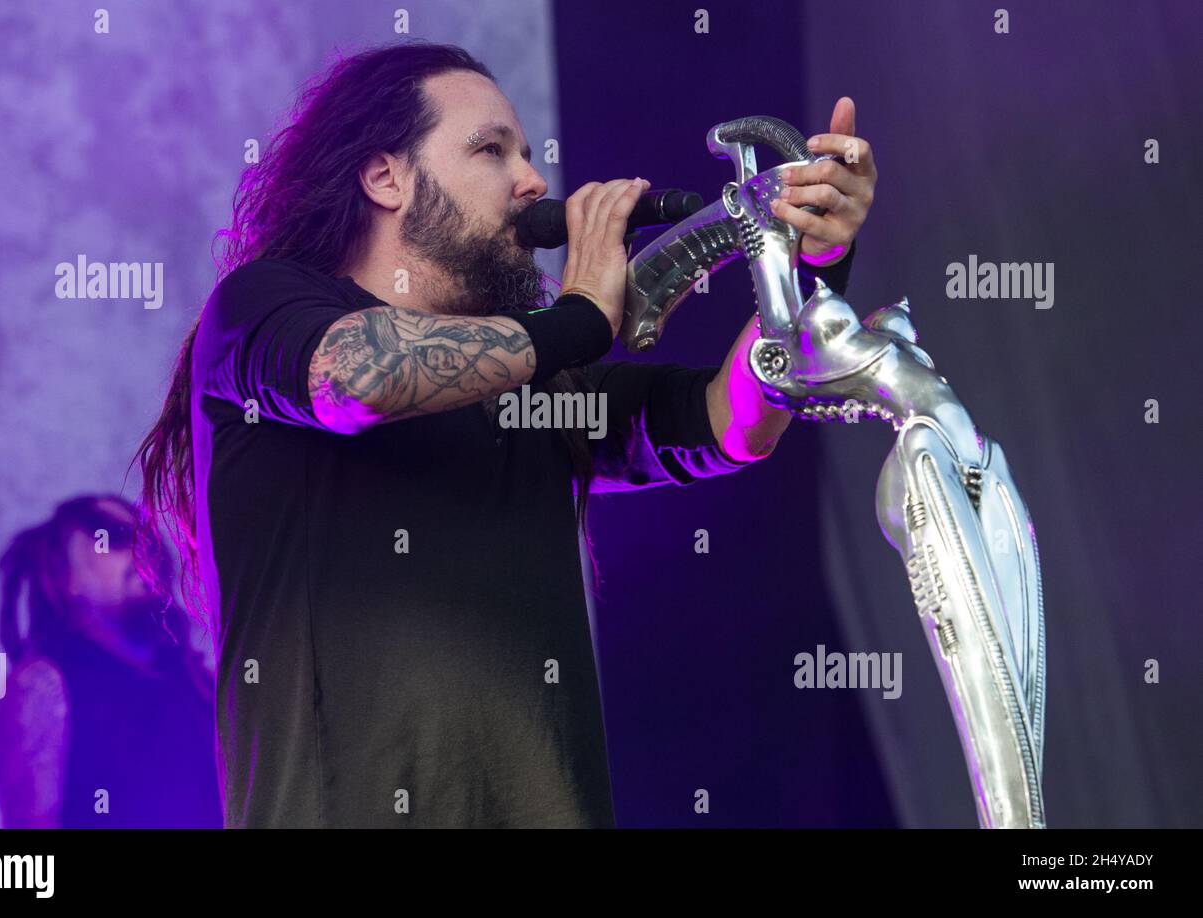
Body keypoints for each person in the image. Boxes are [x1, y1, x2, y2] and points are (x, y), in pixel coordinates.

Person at [134, 41, 877, 828]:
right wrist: (581, 316)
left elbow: (737, 422)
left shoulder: (543, 385)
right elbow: (355, 379)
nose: (532, 180)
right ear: (385, 176)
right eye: (491, 150)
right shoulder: (262, 305)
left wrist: (811, 261)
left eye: (525, 153)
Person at [0, 495, 222, 828]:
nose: (140, 547)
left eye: (146, 534)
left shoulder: (199, 681)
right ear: (67, 577)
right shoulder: (45, 685)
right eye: (112, 535)